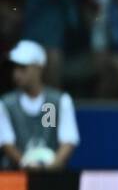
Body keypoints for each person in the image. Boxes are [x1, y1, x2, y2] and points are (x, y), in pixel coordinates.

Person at [0, 41, 79, 170]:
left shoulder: (56, 102)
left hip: (51, 180)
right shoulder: (6, 104)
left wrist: (50, 167)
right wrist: (26, 164)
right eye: (15, 68)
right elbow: (6, 142)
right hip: (16, 179)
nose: (16, 74)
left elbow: (68, 141)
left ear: (38, 67)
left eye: (23, 68)